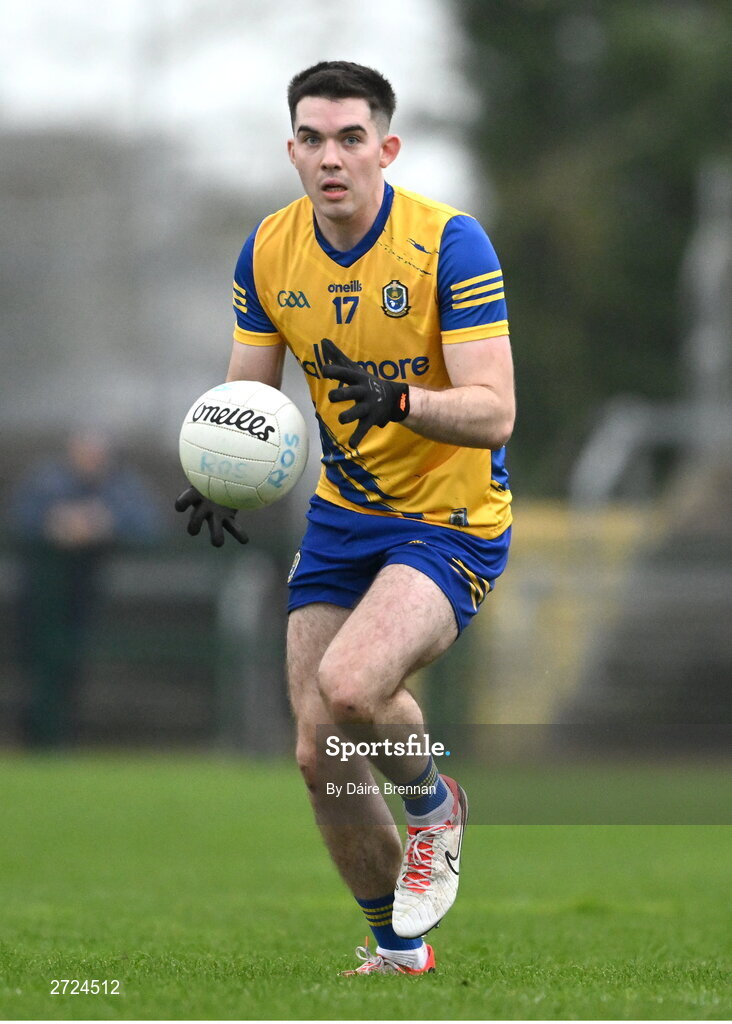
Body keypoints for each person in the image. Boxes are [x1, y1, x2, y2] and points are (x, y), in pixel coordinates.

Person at [176, 61, 515, 975]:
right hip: (344, 516)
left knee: (355, 687)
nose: (331, 157)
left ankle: (435, 803)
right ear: (292, 150)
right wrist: (220, 473)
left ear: (385, 149)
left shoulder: (449, 243)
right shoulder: (267, 250)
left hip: (449, 517)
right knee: (320, 749)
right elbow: (250, 400)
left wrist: (402, 401)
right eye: (313, 139)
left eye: (351, 138)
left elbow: (495, 412)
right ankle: (399, 950)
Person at [9, 430, 162, 747]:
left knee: (73, 664)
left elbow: (150, 525)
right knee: (38, 664)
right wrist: (55, 524)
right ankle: (36, 733)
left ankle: (64, 733)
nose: (90, 461)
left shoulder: (121, 487)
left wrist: (105, 523)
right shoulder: (46, 481)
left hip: (92, 593)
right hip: (40, 593)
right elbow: (19, 518)